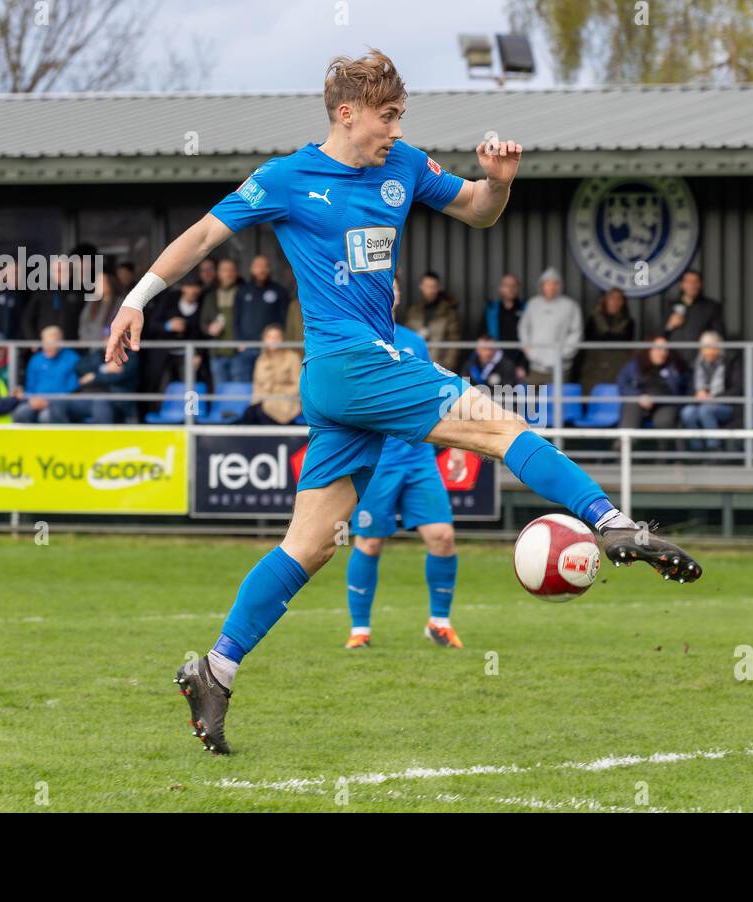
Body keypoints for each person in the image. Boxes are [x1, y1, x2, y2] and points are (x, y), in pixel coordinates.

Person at [103, 49, 702, 755]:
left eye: (400, 117)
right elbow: (205, 234)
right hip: (350, 364)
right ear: (346, 113)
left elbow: (477, 208)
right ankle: (613, 523)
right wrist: (135, 300)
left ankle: (216, 668)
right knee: (501, 425)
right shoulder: (288, 177)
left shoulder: (404, 165)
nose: (395, 129)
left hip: (346, 387)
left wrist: (500, 183)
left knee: (309, 545)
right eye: (386, 117)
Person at [344, 311, 465, 650]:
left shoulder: (414, 342)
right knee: (369, 543)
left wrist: (456, 446)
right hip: (378, 461)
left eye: (393, 285)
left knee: (443, 536)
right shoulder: (355, 337)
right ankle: (360, 630)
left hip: (418, 458)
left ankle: (439, 623)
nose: (388, 290)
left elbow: (434, 395)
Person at [617, 336, 689, 444]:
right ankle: (622, 450)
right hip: (640, 401)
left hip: (665, 403)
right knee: (631, 406)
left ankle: (663, 457)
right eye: (659, 349)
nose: (663, 353)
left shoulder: (674, 365)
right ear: (649, 350)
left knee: (664, 421)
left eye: (666, 349)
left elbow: (684, 385)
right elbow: (622, 383)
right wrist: (638, 396)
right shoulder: (635, 365)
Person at [518, 267, 582, 385]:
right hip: (535, 367)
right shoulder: (533, 304)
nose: (551, 287)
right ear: (542, 286)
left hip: (561, 367)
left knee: (557, 401)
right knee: (534, 401)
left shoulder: (570, 305)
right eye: (547, 284)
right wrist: (528, 350)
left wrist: (563, 353)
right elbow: (523, 328)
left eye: (555, 284)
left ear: (560, 286)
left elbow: (576, 332)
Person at [230, 255, 289, 382]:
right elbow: (235, 318)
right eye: (258, 266)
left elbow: (284, 320)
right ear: (251, 269)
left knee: (269, 384)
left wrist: (278, 341)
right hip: (246, 347)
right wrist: (238, 341)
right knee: (244, 385)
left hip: (270, 348)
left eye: (265, 266)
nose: (261, 270)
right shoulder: (242, 291)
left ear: (269, 269)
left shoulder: (279, 291)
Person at [50, 344, 140, 424]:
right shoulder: (98, 354)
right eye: (106, 338)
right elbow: (79, 367)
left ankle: (102, 441)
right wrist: (103, 369)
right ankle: (65, 441)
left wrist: (94, 377)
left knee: (100, 401)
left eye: (113, 338)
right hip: (87, 397)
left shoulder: (129, 357)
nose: (109, 342)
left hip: (114, 401)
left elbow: (116, 378)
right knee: (57, 402)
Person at [679, 331, 738, 446]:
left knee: (706, 410)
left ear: (719, 348)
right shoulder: (695, 363)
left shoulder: (730, 362)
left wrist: (714, 398)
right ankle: (696, 449)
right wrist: (697, 394)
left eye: (712, 348)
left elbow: (737, 389)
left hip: (725, 405)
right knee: (687, 412)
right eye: (706, 348)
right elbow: (689, 388)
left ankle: (714, 448)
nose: (709, 351)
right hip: (700, 404)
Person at [235, 324, 301, 425]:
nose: (273, 340)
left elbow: (299, 386)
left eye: (276, 337)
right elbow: (256, 386)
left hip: (286, 402)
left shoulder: (292, 357)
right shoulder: (261, 359)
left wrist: (276, 391)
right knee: (251, 412)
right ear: (264, 340)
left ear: (282, 339)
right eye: (269, 337)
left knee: (255, 414)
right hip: (263, 402)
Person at [13, 325, 80, 424]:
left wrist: (49, 402)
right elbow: (30, 386)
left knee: (46, 416)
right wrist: (31, 399)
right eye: (45, 343)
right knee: (21, 412)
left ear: (60, 343)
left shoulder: (72, 358)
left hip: (60, 403)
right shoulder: (36, 359)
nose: (47, 347)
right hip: (37, 401)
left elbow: (73, 388)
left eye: (51, 343)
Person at [402, 271, 462, 372]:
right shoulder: (413, 311)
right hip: (416, 366)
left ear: (439, 287)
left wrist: (447, 368)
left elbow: (454, 342)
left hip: (440, 367)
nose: (430, 290)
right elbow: (406, 338)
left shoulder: (449, 312)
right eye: (427, 286)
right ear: (421, 287)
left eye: (433, 286)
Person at [662, 270, 725, 365]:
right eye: (688, 281)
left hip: (701, 362)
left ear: (700, 285)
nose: (692, 285)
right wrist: (670, 325)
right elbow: (659, 337)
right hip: (674, 363)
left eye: (695, 282)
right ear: (681, 285)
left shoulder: (711, 306)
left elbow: (720, 334)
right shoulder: (671, 306)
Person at [580, 287, 636, 391]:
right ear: (605, 300)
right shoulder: (593, 319)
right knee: (545, 396)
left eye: (619, 299)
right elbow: (590, 341)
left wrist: (604, 337)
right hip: (594, 370)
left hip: (617, 369)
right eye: (612, 298)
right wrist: (614, 338)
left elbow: (625, 342)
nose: (615, 302)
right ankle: (542, 408)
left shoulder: (628, 322)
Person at [202, 257, 242, 385]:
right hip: (217, 352)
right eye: (224, 270)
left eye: (231, 270)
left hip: (238, 351)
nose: (228, 273)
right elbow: (202, 323)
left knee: (239, 391)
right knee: (219, 391)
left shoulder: (244, 292)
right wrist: (209, 328)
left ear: (237, 273)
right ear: (218, 273)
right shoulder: (210, 296)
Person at [482, 273, 524, 368]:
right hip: (495, 360)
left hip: (519, 361)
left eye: (513, 285)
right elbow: (483, 336)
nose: (510, 289)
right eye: (506, 285)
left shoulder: (525, 309)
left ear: (518, 288)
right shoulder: (491, 309)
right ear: (500, 288)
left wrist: (524, 364)